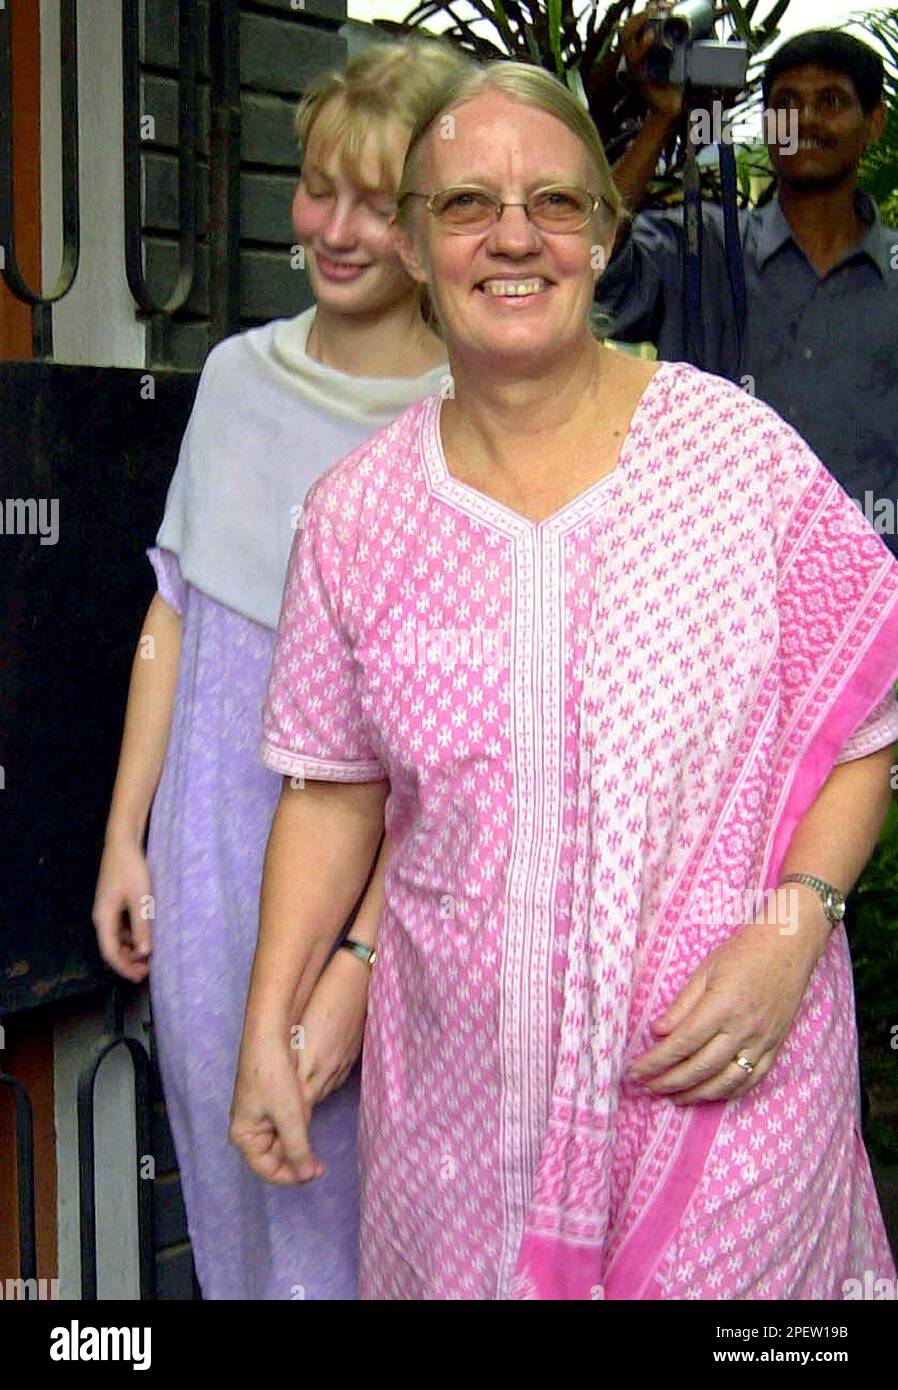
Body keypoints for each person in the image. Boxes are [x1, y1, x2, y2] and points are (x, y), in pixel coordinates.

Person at [230, 58, 898, 1300]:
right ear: (416, 248)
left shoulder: (733, 458)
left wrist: (795, 925)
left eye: (553, 203)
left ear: (601, 234)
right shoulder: (356, 518)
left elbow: (863, 721)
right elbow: (332, 793)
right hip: (457, 1120)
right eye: (468, 205)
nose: (514, 237)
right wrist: (274, 1023)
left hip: (723, 1089)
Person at [91, 37, 473, 1300]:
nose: (339, 228)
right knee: (228, 1158)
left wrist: (362, 949)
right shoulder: (235, 376)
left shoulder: (462, 420)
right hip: (210, 849)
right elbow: (174, 614)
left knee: (361, 1186)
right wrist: (127, 838)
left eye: (379, 200)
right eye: (319, 188)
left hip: (382, 873)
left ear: (431, 219)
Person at [598, 21, 898, 554]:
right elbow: (589, 263)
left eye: (831, 101)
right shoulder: (700, 248)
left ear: (873, 122)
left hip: (872, 602)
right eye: (786, 103)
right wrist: (662, 117)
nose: (805, 120)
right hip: (718, 585)